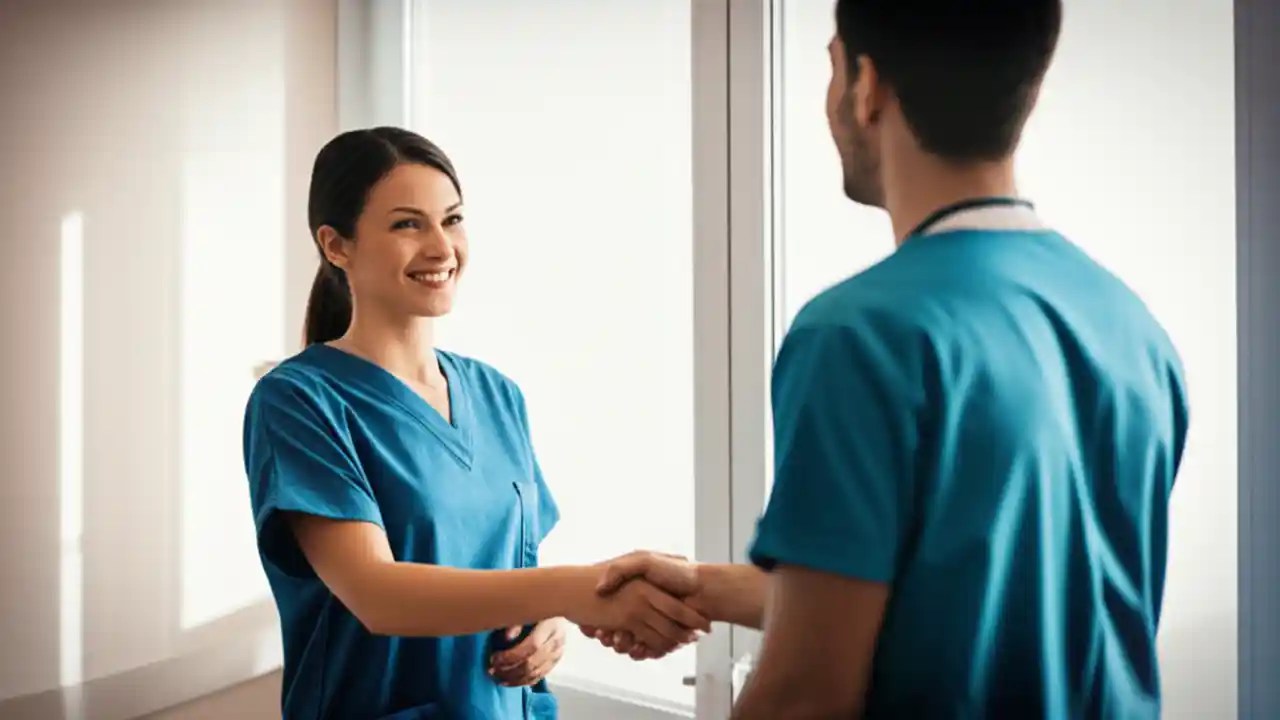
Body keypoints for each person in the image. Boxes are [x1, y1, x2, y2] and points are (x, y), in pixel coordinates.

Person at [585, 1, 1188, 718]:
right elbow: (964, 599)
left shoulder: (863, 333)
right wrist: (702, 587)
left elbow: (805, 696)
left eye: (833, 68)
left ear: (864, 86)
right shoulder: (1127, 322)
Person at [241, 127, 708, 720]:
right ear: (336, 245)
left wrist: (552, 623)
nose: (441, 247)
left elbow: (513, 572)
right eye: (408, 224)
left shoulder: (496, 395)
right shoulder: (299, 401)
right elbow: (378, 595)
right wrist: (585, 591)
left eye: (452, 219)